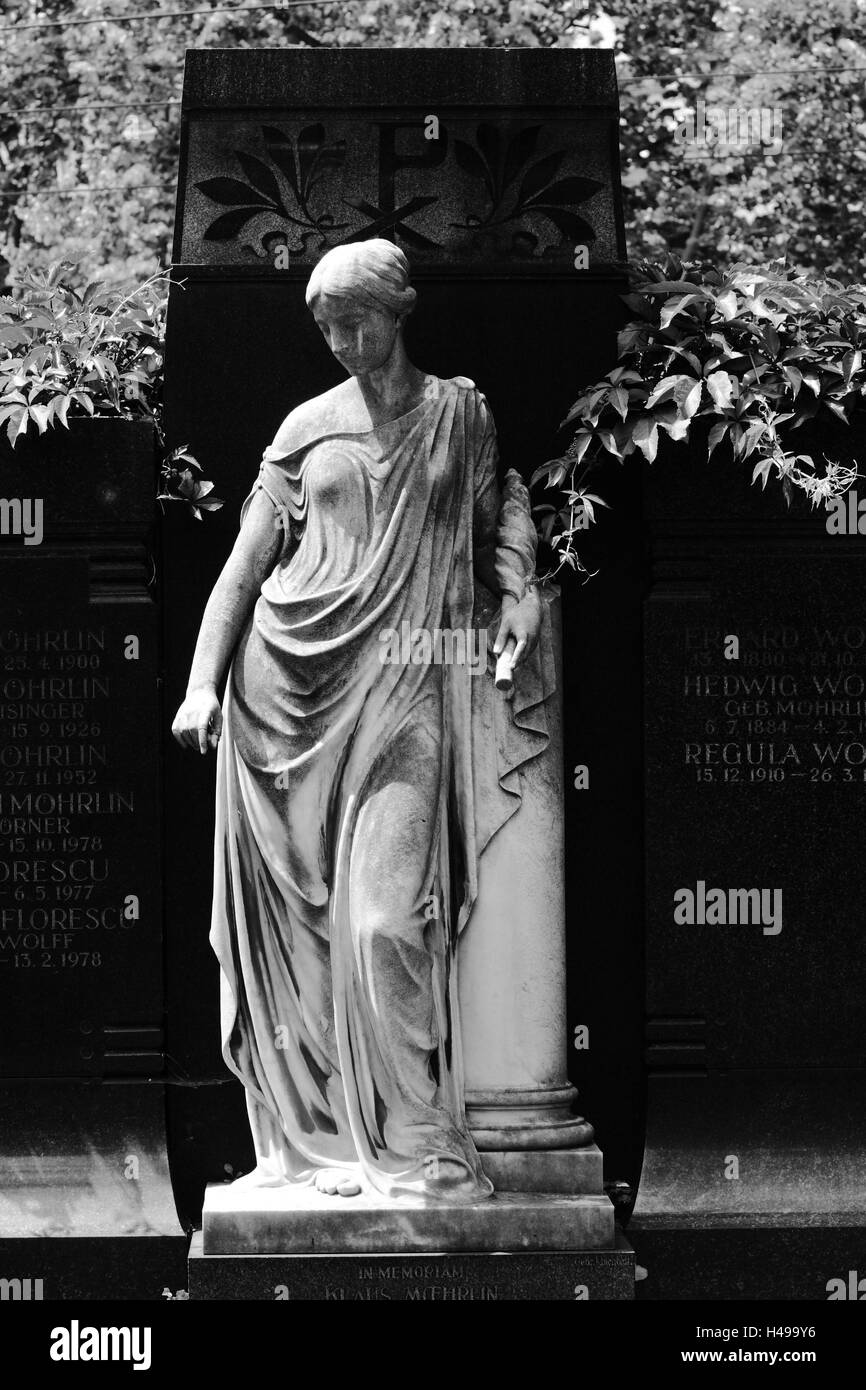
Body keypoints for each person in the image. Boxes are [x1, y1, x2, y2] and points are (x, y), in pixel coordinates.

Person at [172, 238, 544, 1202]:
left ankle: (419, 1143)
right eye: (327, 325)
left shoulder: (460, 414)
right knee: (295, 949)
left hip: (409, 690)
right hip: (283, 701)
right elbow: (244, 573)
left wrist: (517, 589)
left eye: (358, 321)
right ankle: (311, 1150)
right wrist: (202, 683)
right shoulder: (304, 429)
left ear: (404, 307)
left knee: (383, 924)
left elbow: (495, 512)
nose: (342, 340)